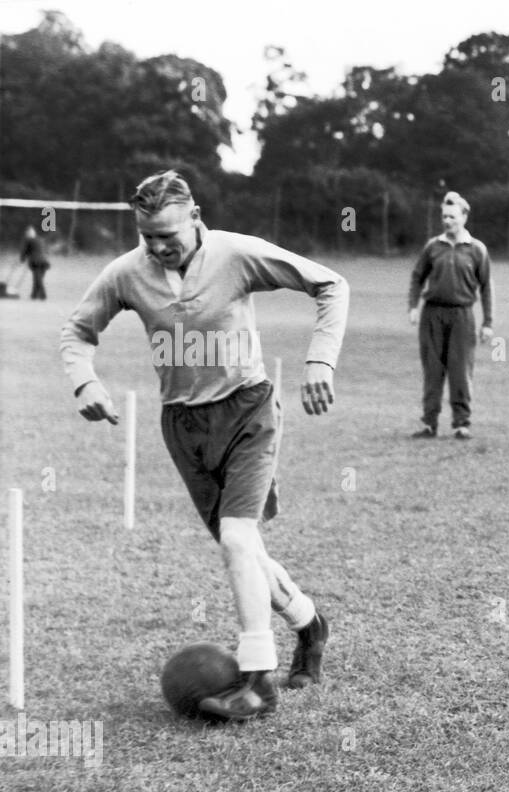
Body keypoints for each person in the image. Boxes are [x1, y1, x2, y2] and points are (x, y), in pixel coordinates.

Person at [60, 170, 345, 720]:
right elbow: (77, 330)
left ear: (195, 217)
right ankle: (310, 625)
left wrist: (320, 360)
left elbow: (330, 284)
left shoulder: (237, 255)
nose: (160, 247)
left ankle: (258, 681)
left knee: (237, 540)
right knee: (248, 552)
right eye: (149, 238)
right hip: (183, 428)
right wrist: (85, 381)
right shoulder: (126, 273)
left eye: (170, 234)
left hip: (248, 411)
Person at [408, 191, 494, 440]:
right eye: (444, 216)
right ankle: (429, 423)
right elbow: (417, 276)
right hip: (432, 315)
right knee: (432, 372)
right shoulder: (433, 247)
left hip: (462, 316)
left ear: (465, 217)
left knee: (460, 371)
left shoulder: (477, 250)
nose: (447, 221)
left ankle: (461, 424)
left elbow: (487, 286)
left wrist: (488, 322)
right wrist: (413, 306)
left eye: (452, 217)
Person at [19, 224, 49, 300]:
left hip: (36, 262)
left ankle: (43, 296)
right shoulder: (40, 239)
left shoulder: (28, 240)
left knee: (37, 279)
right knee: (38, 279)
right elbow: (45, 250)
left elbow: (24, 251)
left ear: (28, 233)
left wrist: (22, 259)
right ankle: (34, 296)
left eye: (28, 233)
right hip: (44, 262)